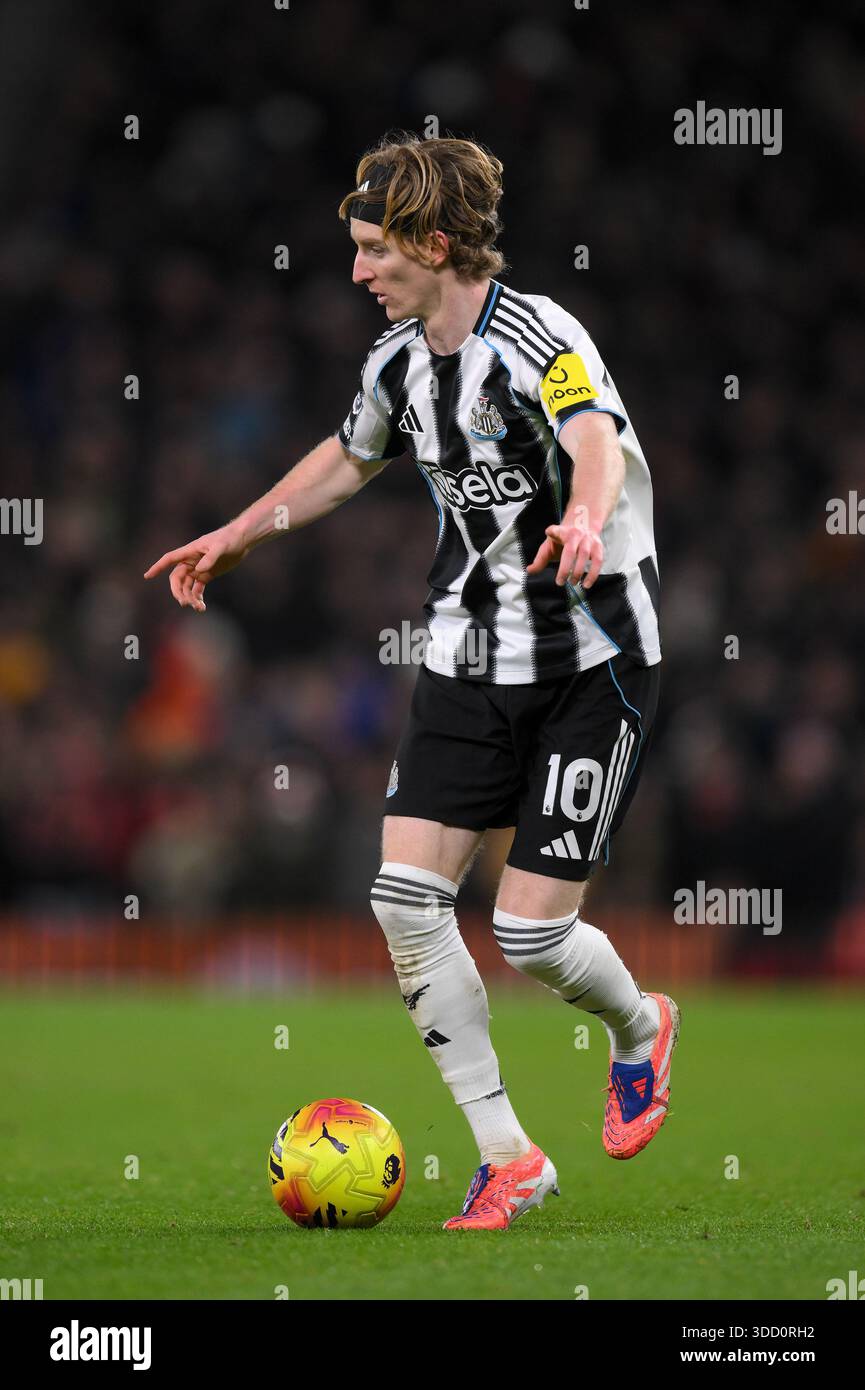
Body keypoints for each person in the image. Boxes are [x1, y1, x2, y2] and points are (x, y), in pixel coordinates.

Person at [144, 132, 679, 1232]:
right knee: (404, 899)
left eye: (373, 251)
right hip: (466, 659)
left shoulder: (541, 336)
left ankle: (639, 1029)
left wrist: (582, 517)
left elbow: (591, 441)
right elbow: (348, 457)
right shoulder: (396, 362)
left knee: (530, 934)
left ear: (435, 245)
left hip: (591, 659)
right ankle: (507, 1155)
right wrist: (243, 530)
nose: (356, 272)